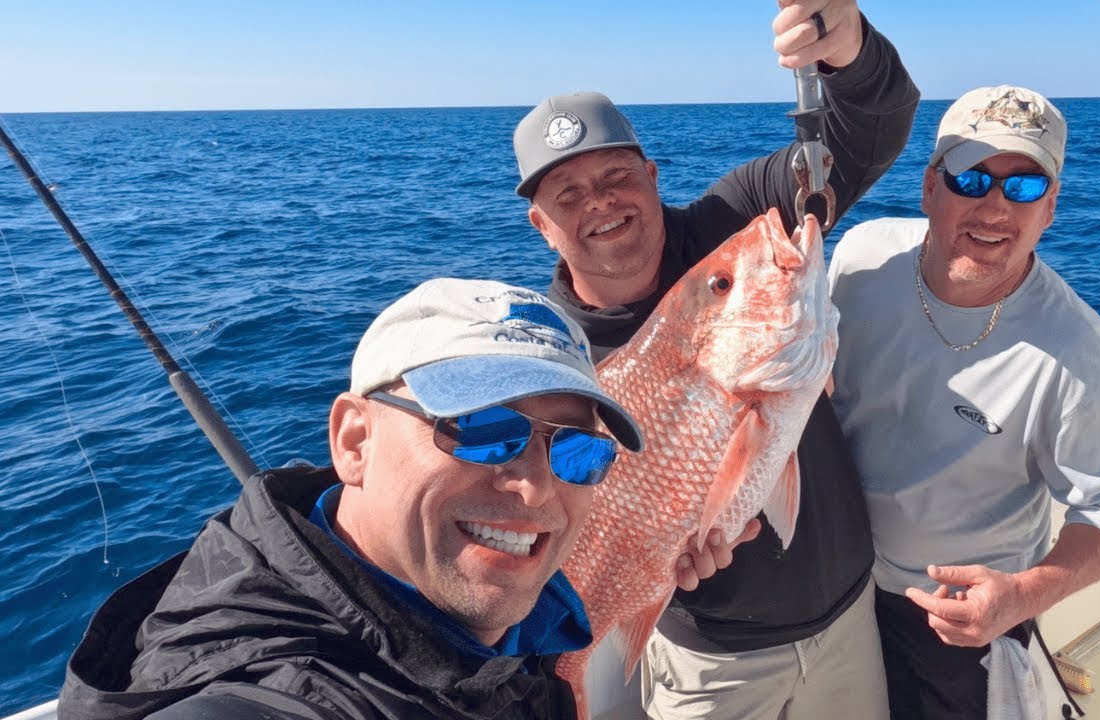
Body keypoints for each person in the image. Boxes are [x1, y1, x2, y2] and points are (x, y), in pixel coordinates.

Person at [513, 2, 918, 717]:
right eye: (567, 193)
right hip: (708, 659)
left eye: (615, 174)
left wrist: (847, 52)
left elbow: (865, 135)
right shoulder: (549, 358)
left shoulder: (735, 224)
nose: (600, 202)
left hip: (850, 615)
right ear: (541, 226)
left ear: (651, 173)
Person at [57, 278, 645, 720]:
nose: (536, 484)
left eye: (578, 450)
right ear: (354, 440)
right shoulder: (279, 695)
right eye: (479, 429)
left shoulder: (521, 626)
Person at [827, 84, 1100, 718]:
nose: (994, 208)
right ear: (930, 186)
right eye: (971, 178)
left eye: (1024, 187)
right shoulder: (859, 255)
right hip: (831, 586)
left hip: (953, 617)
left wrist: (1020, 596)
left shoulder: (1077, 350)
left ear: (1051, 209)